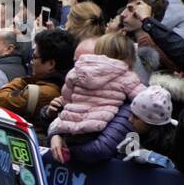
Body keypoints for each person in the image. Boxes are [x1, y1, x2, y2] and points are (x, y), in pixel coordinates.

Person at [48, 32, 145, 164]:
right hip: (94, 131)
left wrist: (61, 140)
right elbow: (143, 97)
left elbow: (66, 95)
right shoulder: (127, 77)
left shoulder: (78, 72)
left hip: (72, 133)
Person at [0, 28, 75, 131]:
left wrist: (24, 79)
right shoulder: (58, 86)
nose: (31, 62)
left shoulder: (42, 93)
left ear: (51, 64)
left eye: (35, 57)